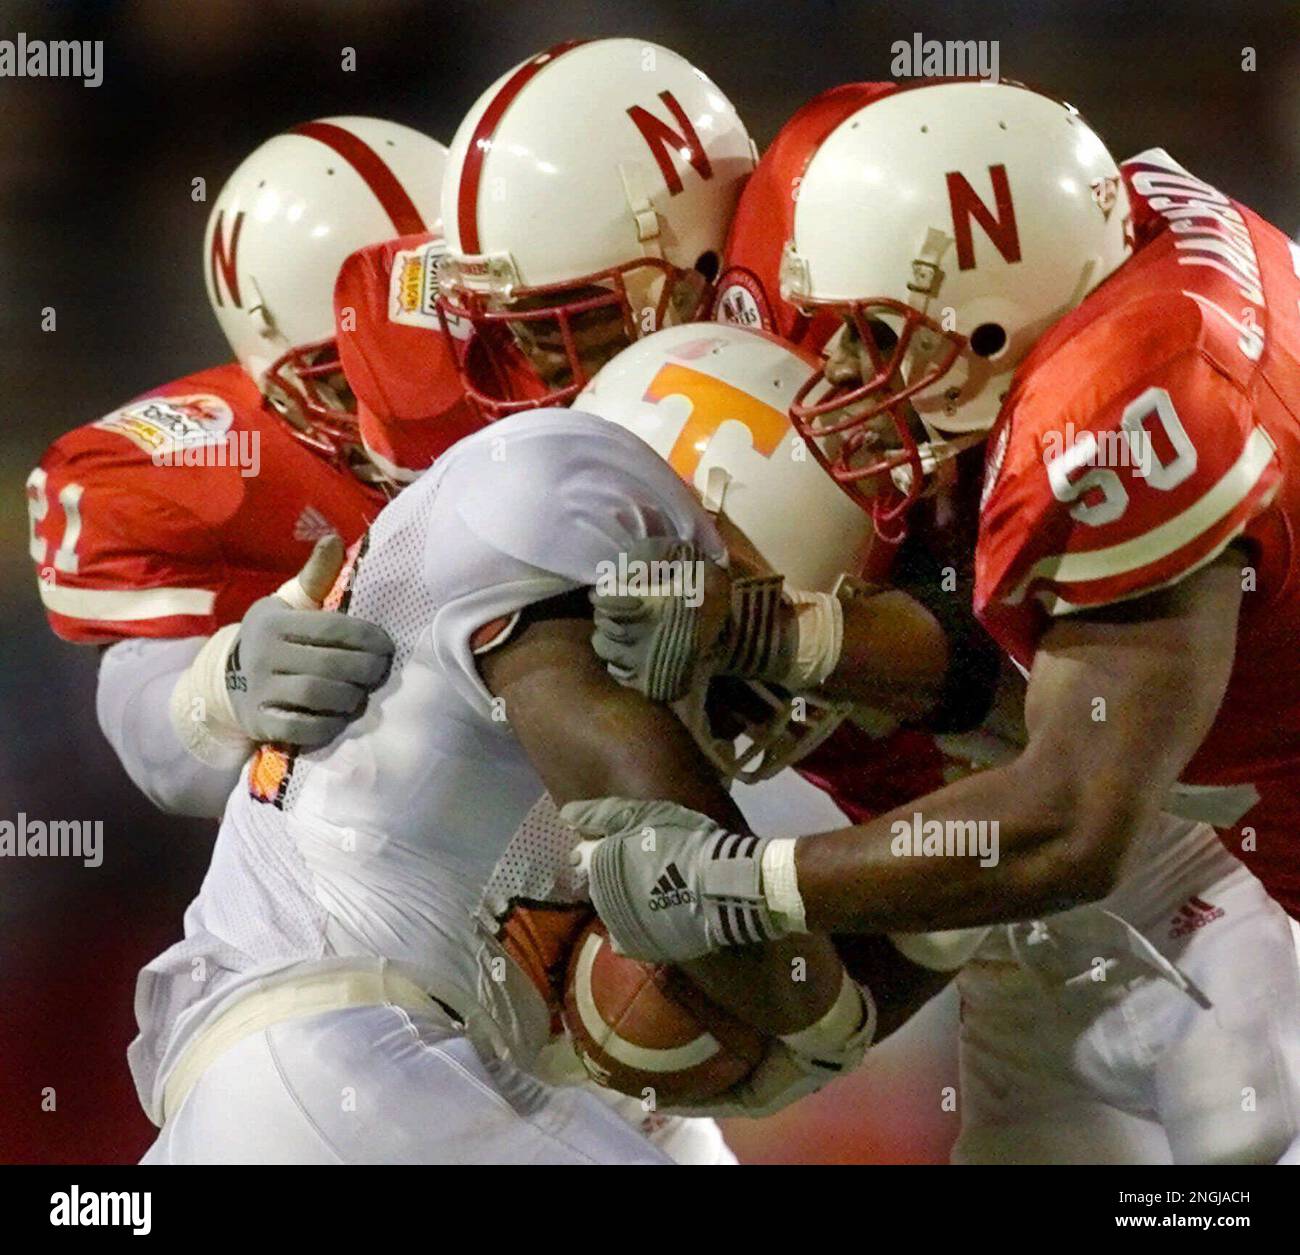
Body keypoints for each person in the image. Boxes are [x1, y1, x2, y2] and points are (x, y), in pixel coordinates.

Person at [572, 79, 1300, 1162]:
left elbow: (1068, 823)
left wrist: (751, 885)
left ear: (999, 302)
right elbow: (1018, 695)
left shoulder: (1123, 409)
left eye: (881, 332)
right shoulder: (1110, 236)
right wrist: (792, 637)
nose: (855, 373)